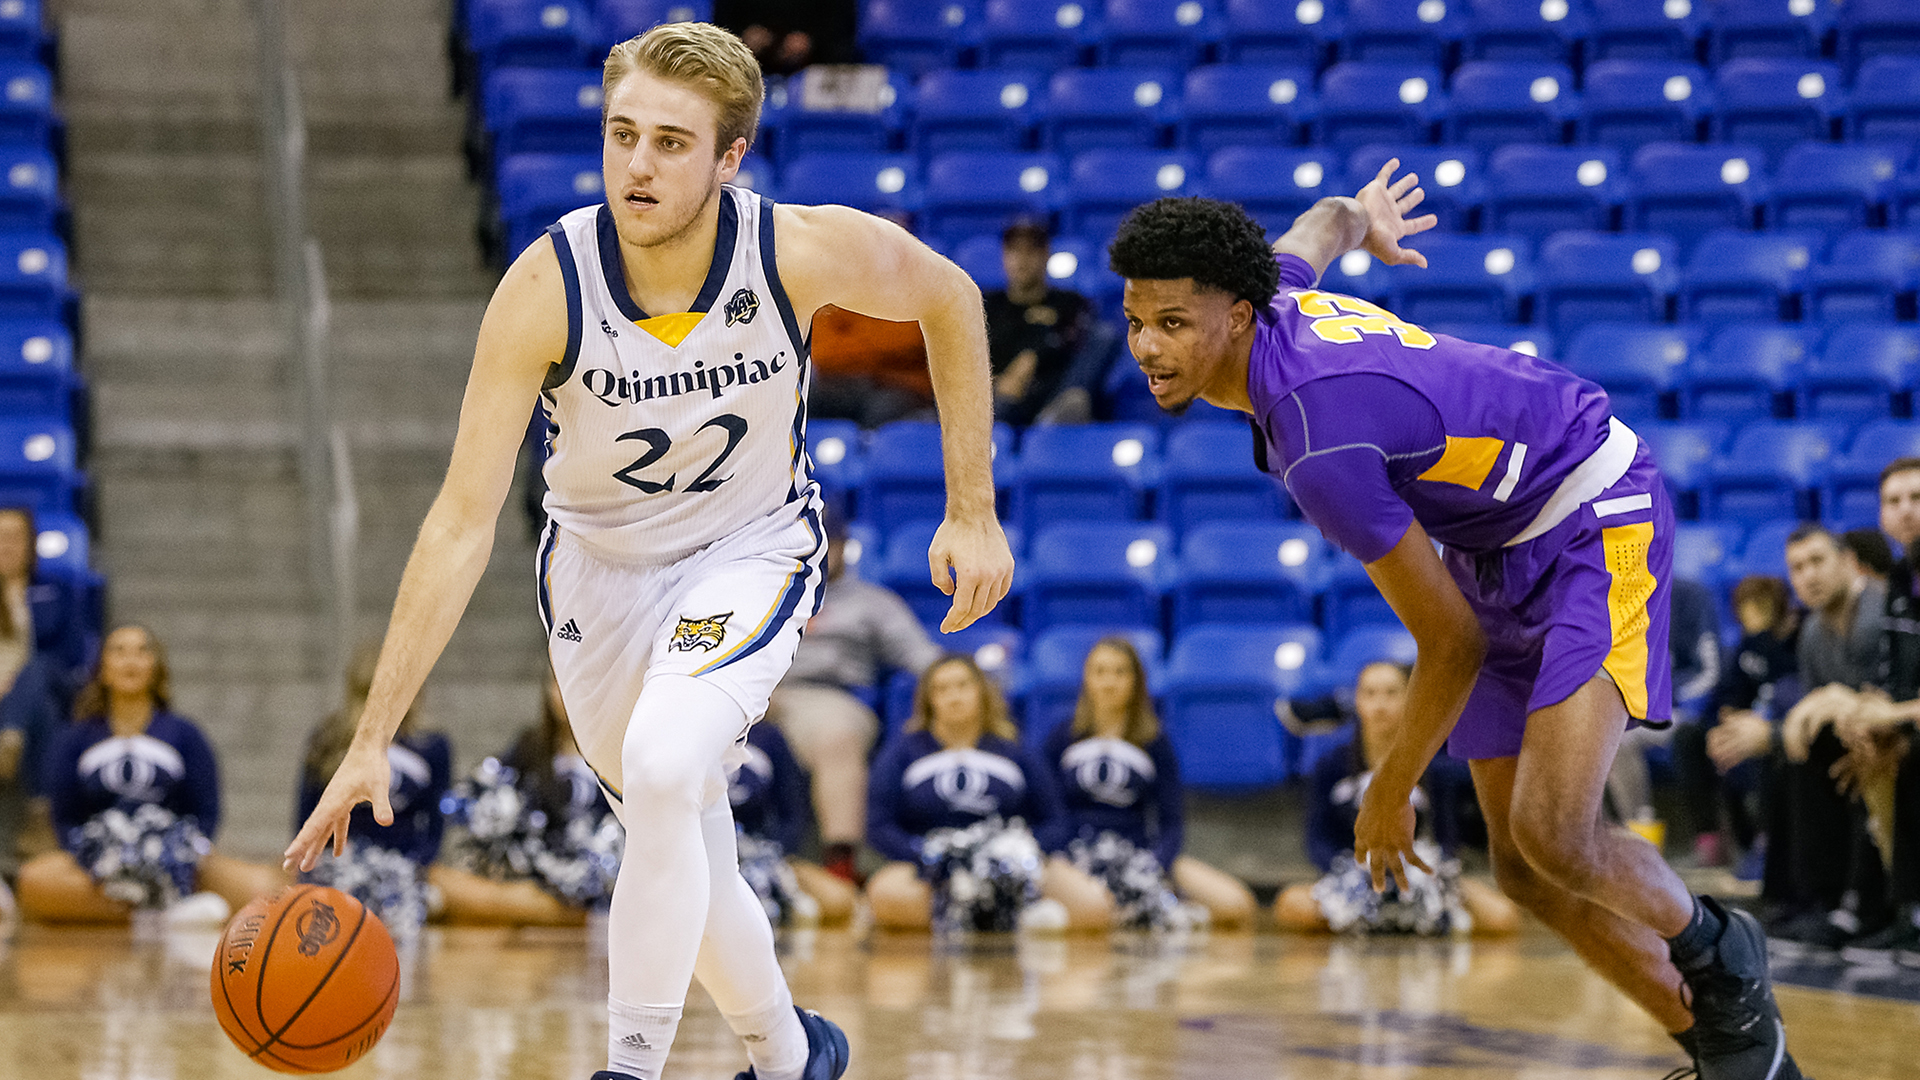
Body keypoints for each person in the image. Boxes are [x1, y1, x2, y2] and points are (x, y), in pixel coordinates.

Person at [284, 23, 1014, 1080]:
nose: (637, 163)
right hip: (594, 576)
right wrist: (372, 733)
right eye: (622, 134)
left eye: (672, 142)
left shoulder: (792, 248)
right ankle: (788, 1052)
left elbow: (950, 296)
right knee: (683, 828)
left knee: (669, 768)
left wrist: (973, 507)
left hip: (747, 550)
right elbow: (459, 519)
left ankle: (628, 1068)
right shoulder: (548, 286)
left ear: (730, 158)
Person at [1107, 171, 1806, 1078]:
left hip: (1595, 509)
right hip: (1493, 541)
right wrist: (1362, 216)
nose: (1145, 348)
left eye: (1171, 324)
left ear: (1236, 317)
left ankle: (1722, 943)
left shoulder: (1318, 440)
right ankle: (1734, 1053)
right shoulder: (1271, 290)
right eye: (1134, 321)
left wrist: (1389, 790)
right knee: (1522, 867)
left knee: (1556, 832)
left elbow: (1452, 645)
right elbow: (1318, 224)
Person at [18, 625, 287, 923]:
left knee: (265, 887)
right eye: (118, 651)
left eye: (142, 651)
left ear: (156, 669)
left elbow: (206, 811)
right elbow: (66, 817)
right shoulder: (75, 738)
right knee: (33, 881)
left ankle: (144, 906)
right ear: (102, 670)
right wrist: (93, 856)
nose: (130, 660)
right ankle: (165, 911)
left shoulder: (185, 734)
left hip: (173, 852)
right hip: (101, 858)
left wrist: (180, 855)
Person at [865, 654, 1111, 932]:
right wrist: (926, 855)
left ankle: (990, 910)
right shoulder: (902, 752)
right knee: (885, 897)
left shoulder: (1016, 749)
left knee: (1093, 908)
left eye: (962, 686)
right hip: (932, 870)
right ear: (928, 699)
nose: (953, 696)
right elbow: (878, 825)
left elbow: (1056, 821)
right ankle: (1005, 917)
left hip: (1012, 868)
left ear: (982, 692)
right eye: (942, 689)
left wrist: (1022, 854)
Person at [1275, 660, 1519, 936]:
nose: (1380, 705)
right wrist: (1355, 870)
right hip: (1352, 880)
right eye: (1370, 694)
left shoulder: (1434, 766)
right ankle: (1371, 921)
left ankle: (1419, 919)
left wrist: (1423, 871)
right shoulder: (1330, 766)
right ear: (1357, 701)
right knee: (1291, 904)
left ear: (1410, 700)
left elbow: (1447, 839)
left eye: (1391, 693)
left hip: (1423, 878)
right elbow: (1318, 840)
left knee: (1502, 916)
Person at [766, 516, 940, 883]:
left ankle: (840, 863)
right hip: (760, 693)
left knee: (837, 735)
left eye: (832, 541)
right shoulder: (765, 588)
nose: (821, 549)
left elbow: (925, 659)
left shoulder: (872, 603)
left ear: (845, 546)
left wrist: (960, 680)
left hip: (830, 697)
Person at [1038, 637, 1255, 929]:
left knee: (1235, 905)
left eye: (1120, 672)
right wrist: (1063, 858)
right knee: (1095, 912)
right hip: (1072, 857)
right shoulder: (1061, 738)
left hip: (1137, 855)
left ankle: (1155, 909)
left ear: (1136, 681)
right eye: (1100, 672)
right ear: (1086, 679)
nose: (1109, 682)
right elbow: (1048, 814)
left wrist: (1155, 865)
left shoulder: (1155, 742)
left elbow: (1171, 823)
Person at [433, 667, 619, 927]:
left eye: (576, 681)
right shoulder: (529, 747)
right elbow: (481, 798)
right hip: (530, 879)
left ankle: (530, 909)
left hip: (585, 886)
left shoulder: (614, 753)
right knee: (438, 879)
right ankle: (528, 908)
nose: (564, 693)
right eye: (557, 682)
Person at [295, 642, 452, 935]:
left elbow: (435, 822)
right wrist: (308, 871)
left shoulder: (431, 745)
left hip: (401, 862)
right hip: (340, 861)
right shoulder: (328, 739)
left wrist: (419, 863)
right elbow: (307, 814)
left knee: (409, 904)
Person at [1684, 575, 1799, 870]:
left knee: (1750, 746)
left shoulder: (1800, 637)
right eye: (1744, 607)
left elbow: (1794, 693)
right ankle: (1713, 838)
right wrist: (1726, 719)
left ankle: (1765, 841)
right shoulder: (1747, 645)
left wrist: (1751, 723)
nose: (1750, 615)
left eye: (1758, 606)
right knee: (1691, 737)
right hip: (1746, 726)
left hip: (1782, 728)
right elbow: (1728, 695)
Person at [1604, 577, 1723, 846]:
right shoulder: (1623, 597)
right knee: (1611, 738)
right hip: (1644, 711)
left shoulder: (1692, 594)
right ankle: (1638, 837)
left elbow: (1712, 671)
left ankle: (1709, 839)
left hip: (1689, 711)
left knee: (1680, 737)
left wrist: (1672, 699)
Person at [728, 720, 856, 925]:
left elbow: (793, 812)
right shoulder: (688, 732)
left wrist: (775, 852)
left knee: (838, 901)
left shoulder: (769, 736)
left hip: (762, 852)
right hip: (702, 856)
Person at [982, 220, 1101, 426]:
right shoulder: (986, 305)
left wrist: (1034, 356)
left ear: (1046, 254)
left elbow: (1074, 339)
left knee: (1102, 336)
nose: (1022, 260)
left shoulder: (1070, 302)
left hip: (1051, 392)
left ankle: (1056, 414)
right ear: (1004, 257)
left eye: (1031, 251)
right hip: (1002, 396)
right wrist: (996, 382)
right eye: (1014, 251)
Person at [0, 507, 62, 884]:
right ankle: (37, 810)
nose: (6, 546)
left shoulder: (56, 594)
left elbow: (73, 661)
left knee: (36, 673)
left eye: (14, 537)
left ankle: (9, 736)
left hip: (44, 695)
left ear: (31, 545)